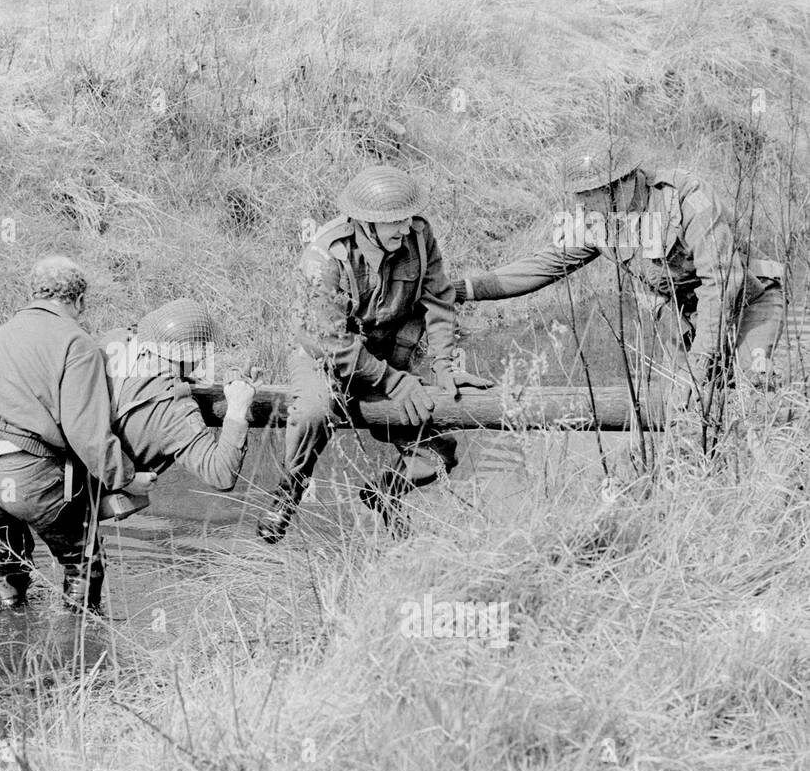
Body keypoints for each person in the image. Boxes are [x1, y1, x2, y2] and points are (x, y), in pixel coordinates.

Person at [452, 136, 785, 437]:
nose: (588, 210)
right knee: (689, 414)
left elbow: (721, 284)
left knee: (752, 395)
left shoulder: (687, 200)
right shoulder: (600, 221)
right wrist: (465, 289)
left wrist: (698, 367)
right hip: (689, 319)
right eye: (583, 200)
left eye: (594, 198)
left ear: (624, 183)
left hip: (748, 306)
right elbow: (543, 266)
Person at [256, 165, 490, 543]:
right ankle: (291, 490)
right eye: (393, 222)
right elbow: (327, 338)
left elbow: (438, 300)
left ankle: (385, 493)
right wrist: (391, 382)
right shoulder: (326, 255)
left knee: (437, 454)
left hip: (386, 352)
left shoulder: (419, 235)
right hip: (323, 355)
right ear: (365, 223)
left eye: (407, 217)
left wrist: (443, 364)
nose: (403, 228)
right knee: (314, 411)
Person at [0, 256, 156, 613]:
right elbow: (87, 432)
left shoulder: (5, 331)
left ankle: (4, 643)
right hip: (26, 470)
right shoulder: (76, 342)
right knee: (83, 558)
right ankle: (79, 651)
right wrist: (125, 478)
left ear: (36, 293)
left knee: (5, 565)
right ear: (79, 301)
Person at [101, 297, 256, 500]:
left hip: (60, 470)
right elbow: (222, 475)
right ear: (195, 356)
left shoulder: (116, 341)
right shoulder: (174, 410)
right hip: (77, 500)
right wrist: (237, 408)